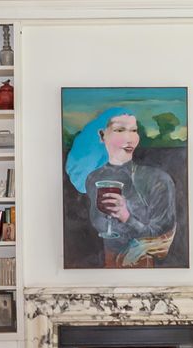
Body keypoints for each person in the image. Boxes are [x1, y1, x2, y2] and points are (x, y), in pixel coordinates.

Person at [65, 107, 178, 266]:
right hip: (105, 268)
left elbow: (161, 239)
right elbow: (98, 228)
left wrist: (126, 217)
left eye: (134, 130)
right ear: (102, 135)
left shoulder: (157, 179)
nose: (129, 138)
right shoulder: (93, 179)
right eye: (120, 130)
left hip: (146, 270)